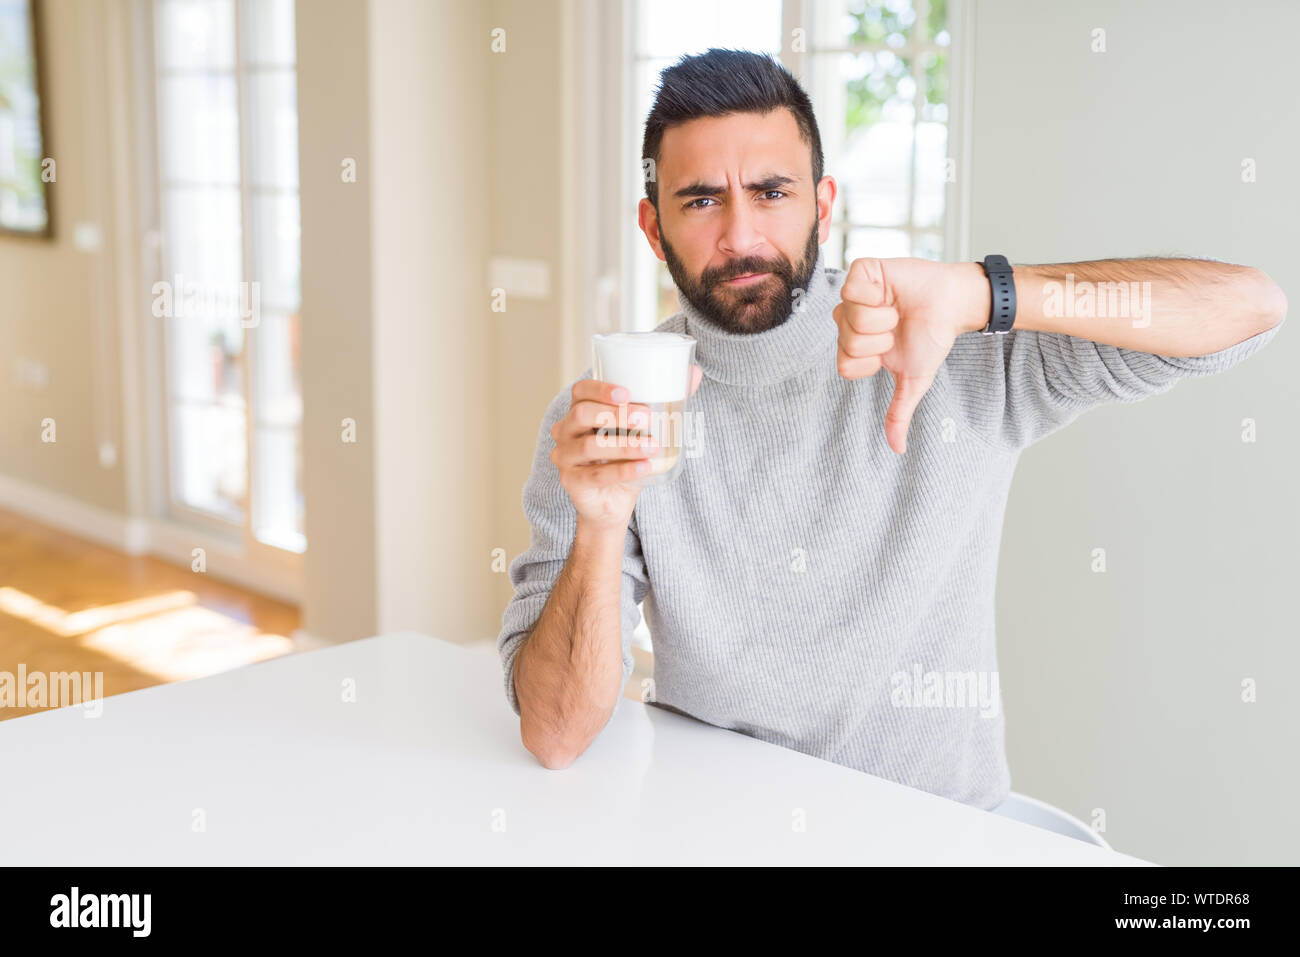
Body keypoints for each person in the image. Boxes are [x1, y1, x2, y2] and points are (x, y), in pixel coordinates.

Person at [496, 48, 1287, 810]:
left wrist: (987, 294)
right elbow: (556, 733)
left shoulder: (951, 346)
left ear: (824, 205)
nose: (740, 235)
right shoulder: (605, 421)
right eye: (701, 199)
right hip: (720, 829)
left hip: (933, 833)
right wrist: (599, 526)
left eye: (772, 191)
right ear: (652, 224)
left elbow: (1249, 309)